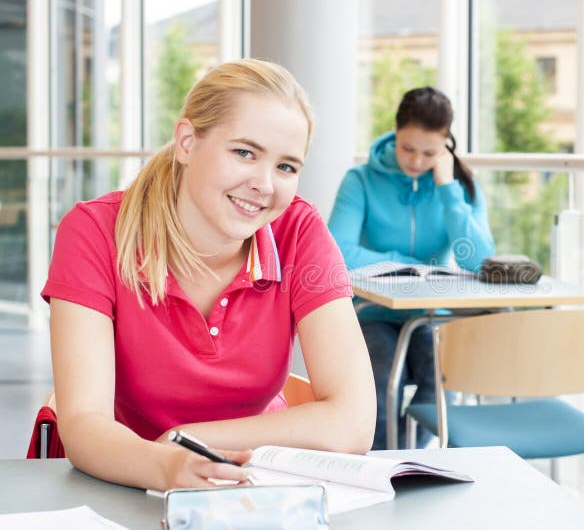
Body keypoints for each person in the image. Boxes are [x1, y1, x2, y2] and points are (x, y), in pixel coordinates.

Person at [43, 59, 376, 491]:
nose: (264, 184)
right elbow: (84, 424)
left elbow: (354, 421)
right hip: (125, 484)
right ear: (186, 142)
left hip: (254, 485)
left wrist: (186, 441)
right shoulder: (94, 231)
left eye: (286, 167)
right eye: (244, 153)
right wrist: (166, 466)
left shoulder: (299, 231)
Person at [328, 86, 495, 449]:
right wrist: (409, 265)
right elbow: (337, 251)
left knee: (442, 384)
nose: (416, 161)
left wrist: (448, 189)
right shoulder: (361, 181)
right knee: (379, 381)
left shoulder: (460, 187)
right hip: (372, 311)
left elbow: (479, 260)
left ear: (446, 146)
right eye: (408, 148)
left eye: (429, 152)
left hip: (432, 312)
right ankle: (381, 464)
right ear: (395, 132)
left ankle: (404, 459)